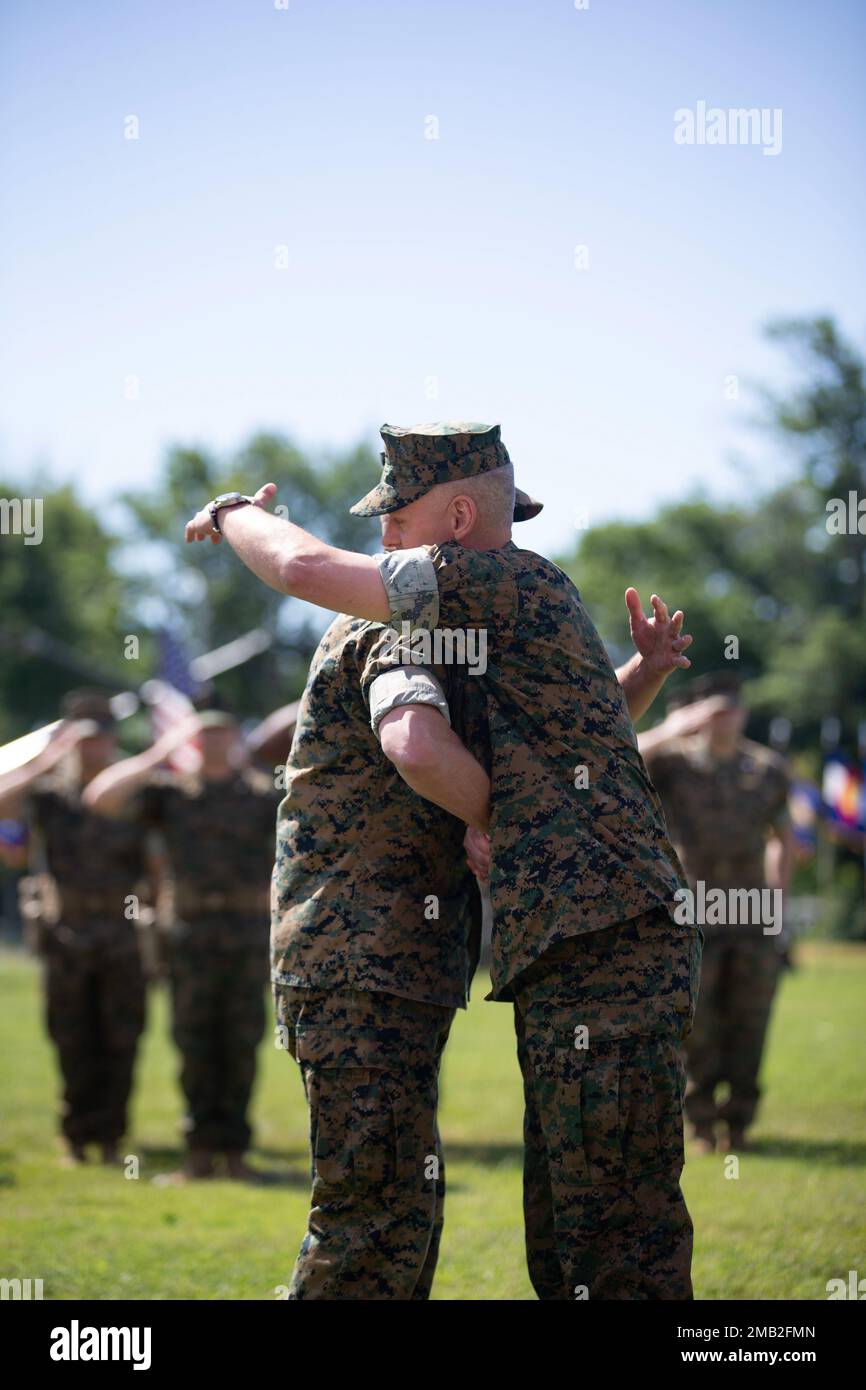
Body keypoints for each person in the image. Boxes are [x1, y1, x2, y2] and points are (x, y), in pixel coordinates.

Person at [183, 421, 699, 1300]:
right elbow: (553, 744)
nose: (380, 535)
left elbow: (310, 575)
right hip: (492, 948)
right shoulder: (469, 622)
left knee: (597, 1232)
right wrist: (527, 799)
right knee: (533, 1227)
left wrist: (230, 511)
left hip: (586, 939)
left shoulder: (489, 595)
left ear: (460, 519)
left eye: (396, 516)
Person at [84, 706, 280, 1181]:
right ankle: (198, 1152)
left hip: (244, 932)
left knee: (240, 1042)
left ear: (235, 737)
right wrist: (159, 752)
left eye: (220, 733)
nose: (212, 742)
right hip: (189, 933)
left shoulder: (259, 794)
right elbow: (100, 799)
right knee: (192, 1042)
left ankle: (233, 1152)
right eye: (203, 734)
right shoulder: (170, 793)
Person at [639, 672, 794, 1153]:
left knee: (750, 1020)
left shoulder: (767, 769)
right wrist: (675, 725)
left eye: (731, 709)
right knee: (697, 1022)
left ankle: (740, 1121)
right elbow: (619, 756)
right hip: (695, 913)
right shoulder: (673, 761)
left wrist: (778, 896)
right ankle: (701, 1120)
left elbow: (784, 838)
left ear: (744, 714)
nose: (723, 718)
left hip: (752, 913)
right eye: (714, 709)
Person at [0, 691, 148, 1165]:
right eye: (82, 739)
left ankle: (111, 1137)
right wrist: (48, 759)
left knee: (120, 1037)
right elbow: (3, 808)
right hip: (66, 933)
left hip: (121, 933)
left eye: (101, 738)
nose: (93, 748)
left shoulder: (130, 795)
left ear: (112, 741)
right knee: (71, 1036)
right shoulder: (46, 796)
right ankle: (75, 1134)